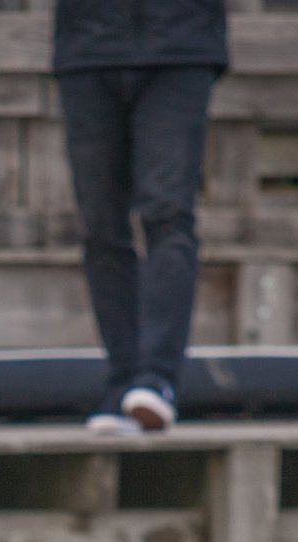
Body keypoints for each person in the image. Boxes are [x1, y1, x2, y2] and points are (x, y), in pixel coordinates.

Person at [54, 0, 228, 434]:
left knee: (168, 213)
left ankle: (157, 379)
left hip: (180, 45)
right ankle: (121, 382)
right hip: (88, 47)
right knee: (101, 226)